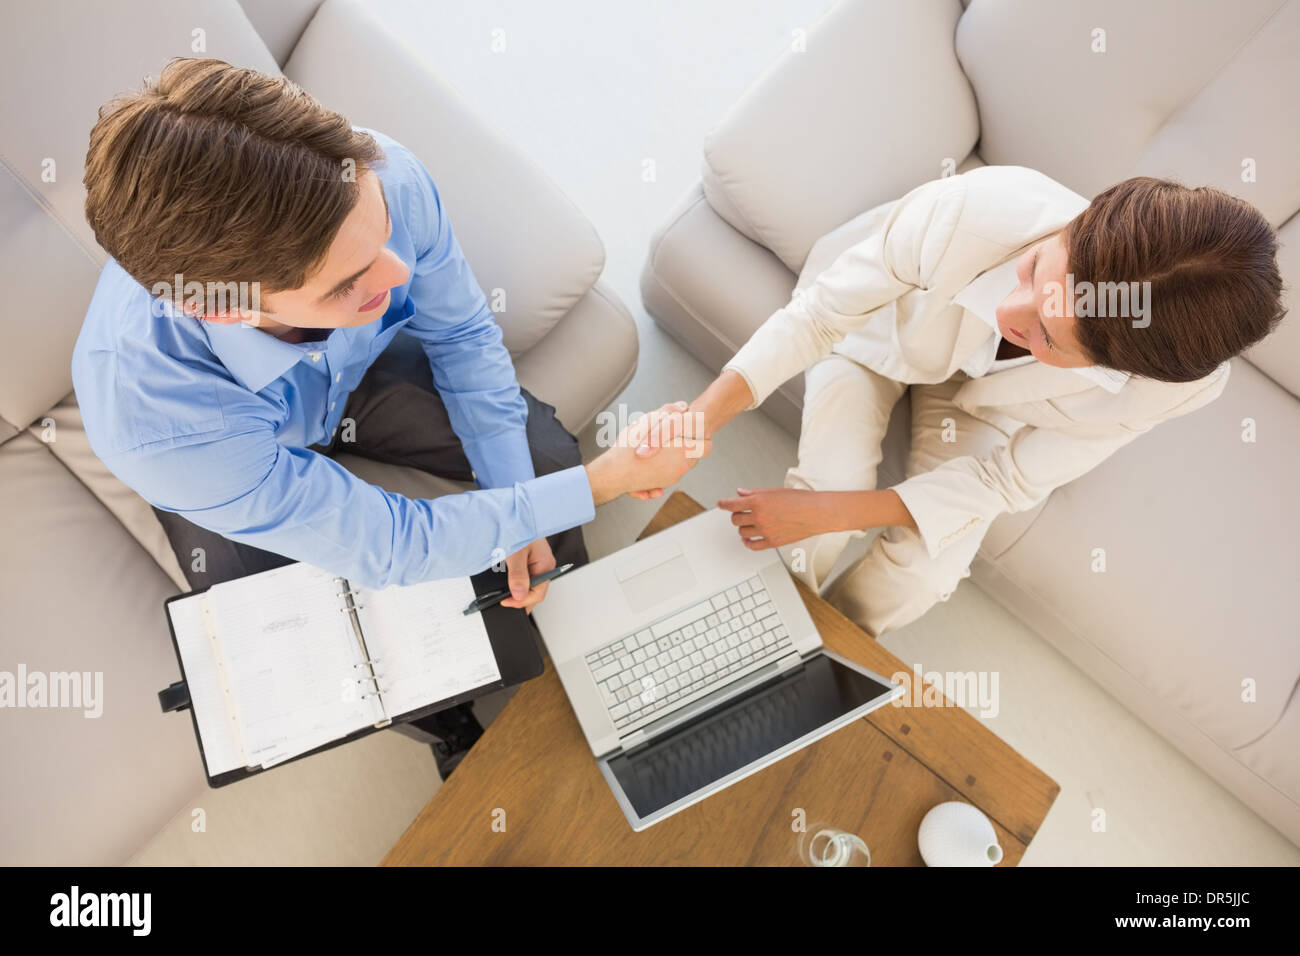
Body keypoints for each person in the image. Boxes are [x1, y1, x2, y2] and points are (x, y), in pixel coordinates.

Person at [72, 58, 708, 778]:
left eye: (380, 236)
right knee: (296, 642)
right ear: (227, 310)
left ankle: (556, 623)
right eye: (351, 281)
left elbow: (463, 337)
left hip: (353, 375)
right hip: (231, 449)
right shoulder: (161, 431)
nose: (399, 272)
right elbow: (393, 547)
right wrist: (606, 481)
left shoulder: (385, 175)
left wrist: (523, 513)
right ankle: (450, 725)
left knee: (546, 463)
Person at [640, 165, 1284, 639]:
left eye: (1048, 335)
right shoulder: (979, 209)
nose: (1009, 308)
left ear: (1116, 368)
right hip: (880, 335)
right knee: (830, 482)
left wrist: (834, 514)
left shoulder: (1174, 387)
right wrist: (696, 424)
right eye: (1035, 271)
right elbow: (820, 316)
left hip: (984, 406)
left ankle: (817, 647)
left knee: (926, 571)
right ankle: (745, 638)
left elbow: (1005, 479)